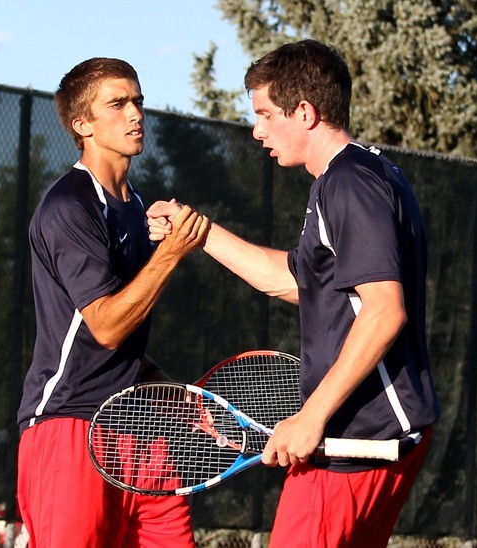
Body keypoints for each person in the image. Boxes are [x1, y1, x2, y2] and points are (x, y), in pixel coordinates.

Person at [147, 39, 440, 547]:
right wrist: (198, 231)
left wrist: (311, 417)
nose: (256, 130)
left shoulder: (348, 182)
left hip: (358, 438)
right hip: (367, 435)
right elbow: (291, 280)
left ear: (304, 112)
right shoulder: (358, 175)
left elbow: (384, 311)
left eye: (265, 114)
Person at [15, 57, 209, 548]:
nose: (135, 114)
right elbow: (104, 326)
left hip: (137, 429)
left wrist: (164, 385)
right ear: (83, 124)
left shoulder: (136, 206)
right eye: (118, 104)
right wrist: (170, 254)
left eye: (138, 101)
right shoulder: (69, 206)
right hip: (70, 426)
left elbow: (115, 343)